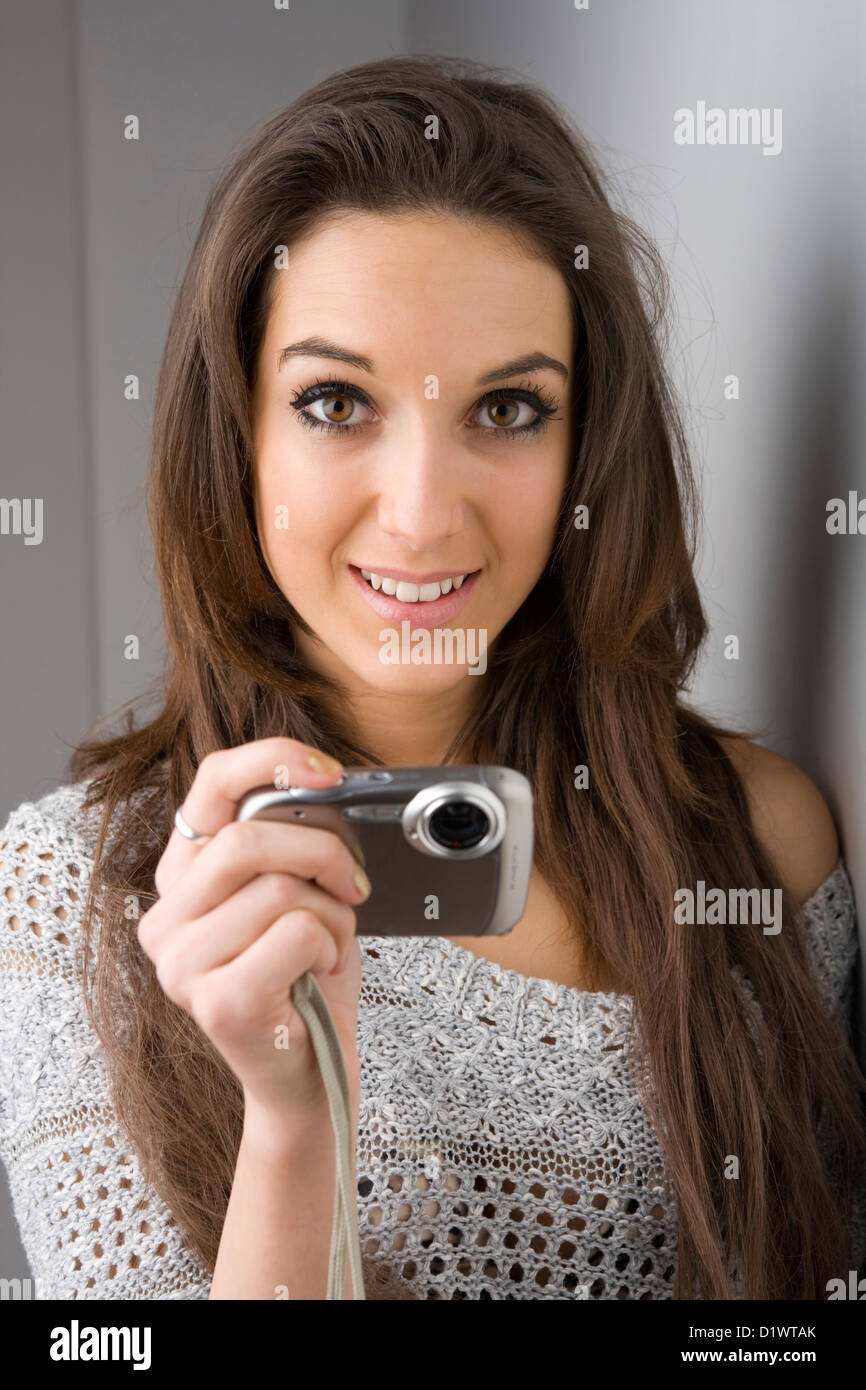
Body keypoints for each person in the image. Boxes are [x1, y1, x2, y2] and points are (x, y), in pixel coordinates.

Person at [0, 52, 863, 1302]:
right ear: (234, 429)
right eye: (336, 401)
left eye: (506, 409)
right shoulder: (68, 900)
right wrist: (300, 1118)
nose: (418, 514)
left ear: (585, 447)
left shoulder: (752, 845)